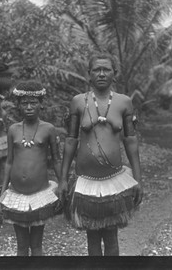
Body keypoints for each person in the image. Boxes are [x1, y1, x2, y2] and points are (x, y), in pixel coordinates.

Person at [58, 52, 143, 256]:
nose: (102, 73)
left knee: (112, 237)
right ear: (89, 74)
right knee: (92, 238)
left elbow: (131, 141)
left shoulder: (124, 102)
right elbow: (71, 141)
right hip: (86, 181)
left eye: (107, 69)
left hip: (114, 180)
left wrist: (138, 179)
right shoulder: (78, 102)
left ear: (115, 73)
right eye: (97, 69)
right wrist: (62, 179)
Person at [0, 81, 63, 256]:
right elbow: (10, 161)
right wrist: (4, 188)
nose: (28, 107)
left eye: (33, 103)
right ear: (18, 105)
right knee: (21, 246)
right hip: (16, 194)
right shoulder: (13, 129)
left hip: (39, 194)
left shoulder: (48, 129)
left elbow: (56, 159)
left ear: (41, 104)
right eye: (24, 103)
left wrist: (63, 183)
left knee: (36, 245)